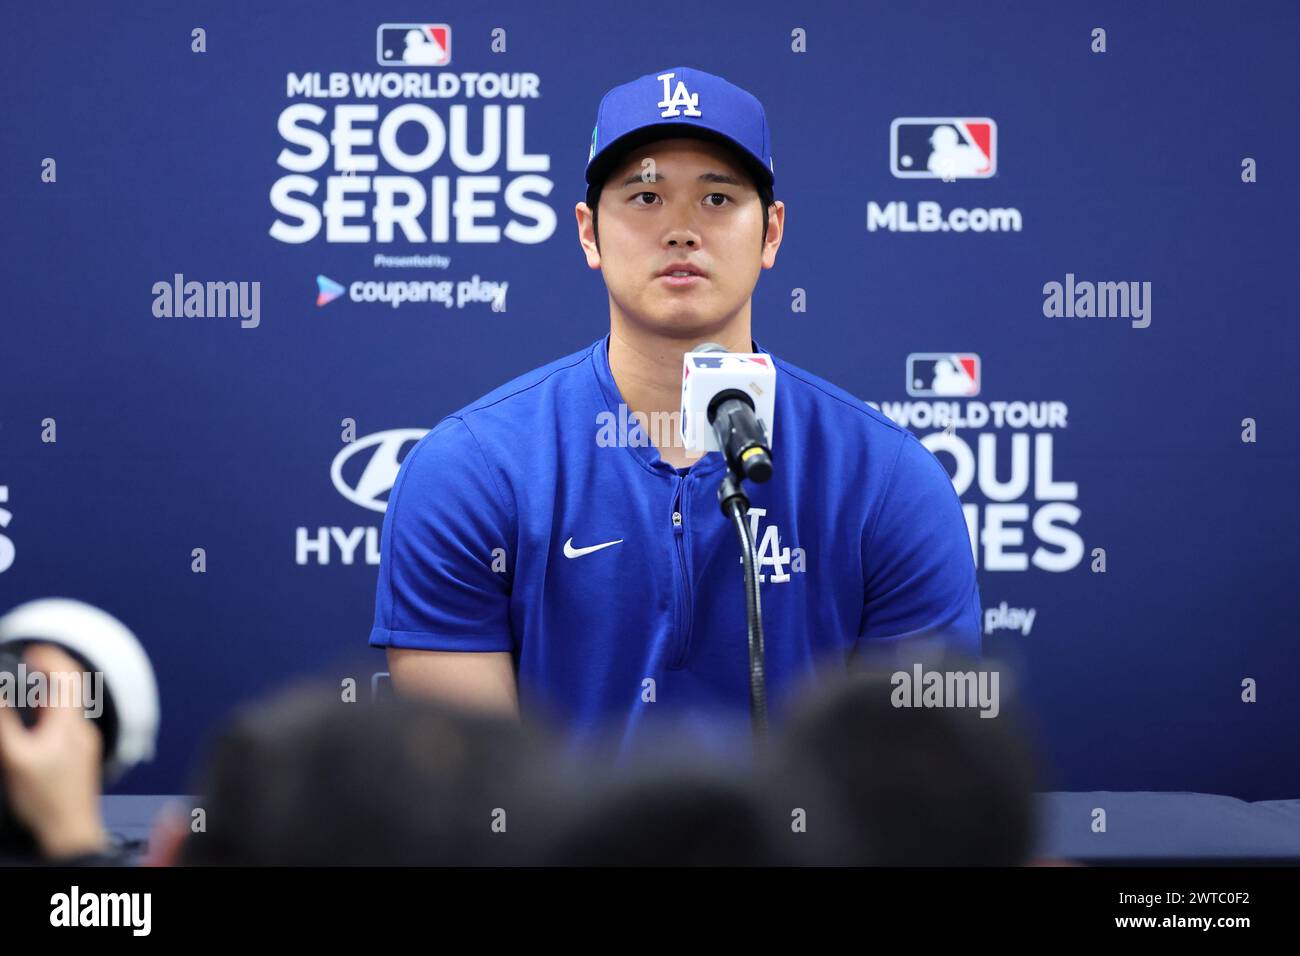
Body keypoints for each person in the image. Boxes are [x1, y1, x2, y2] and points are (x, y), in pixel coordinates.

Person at [369, 66, 981, 764]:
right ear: (588, 233)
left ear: (772, 232)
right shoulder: (470, 470)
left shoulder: (888, 480)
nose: (682, 230)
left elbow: (916, 791)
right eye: (646, 196)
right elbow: (471, 801)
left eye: (717, 198)